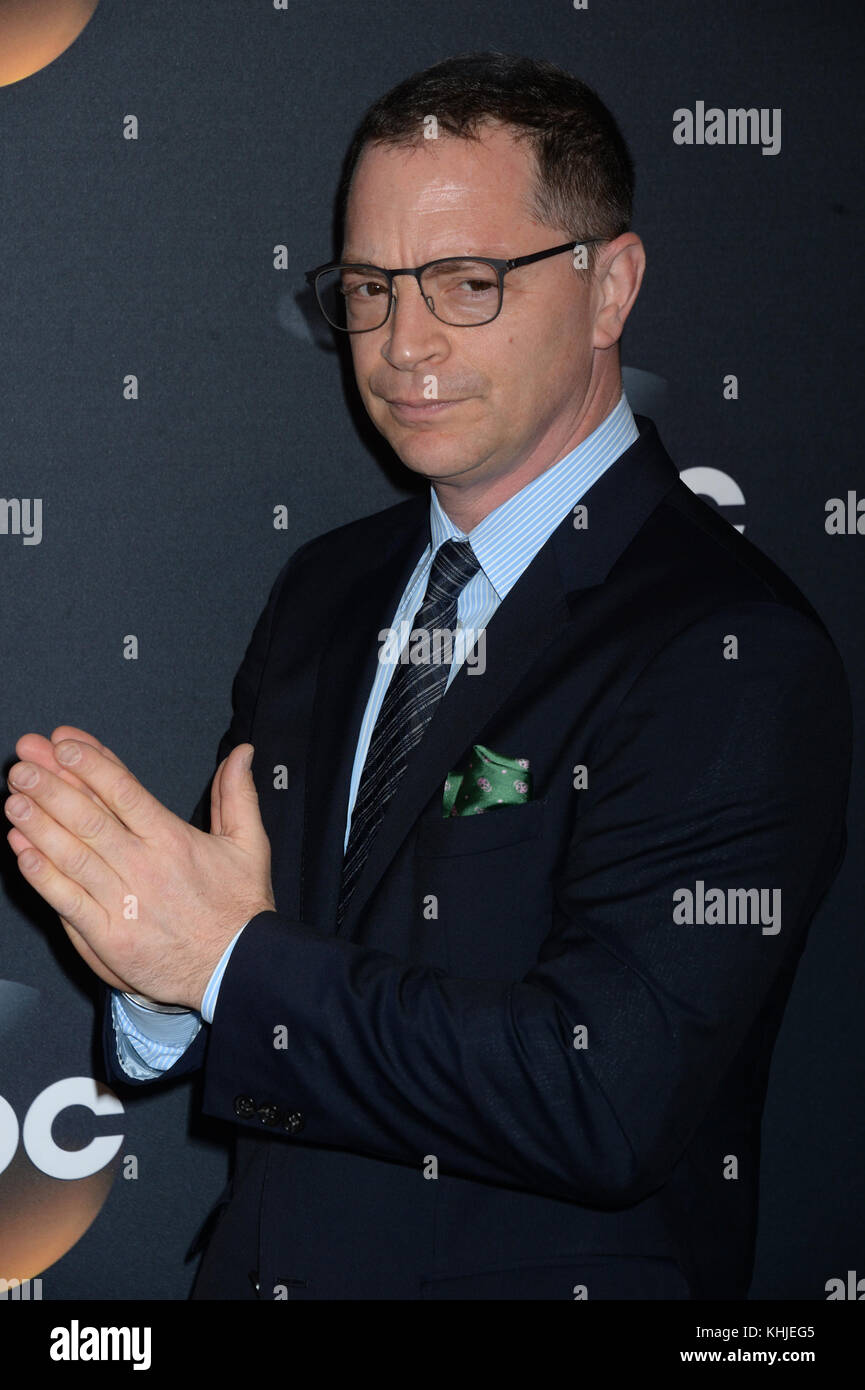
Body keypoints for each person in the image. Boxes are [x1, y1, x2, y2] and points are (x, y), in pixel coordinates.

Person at [5, 52, 851, 1300]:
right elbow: (250, 958)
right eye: (369, 287)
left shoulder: (726, 649)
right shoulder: (328, 589)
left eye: (465, 283)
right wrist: (158, 975)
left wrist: (224, 960)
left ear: (609, 286)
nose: (402, 344)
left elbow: (602, 1092)